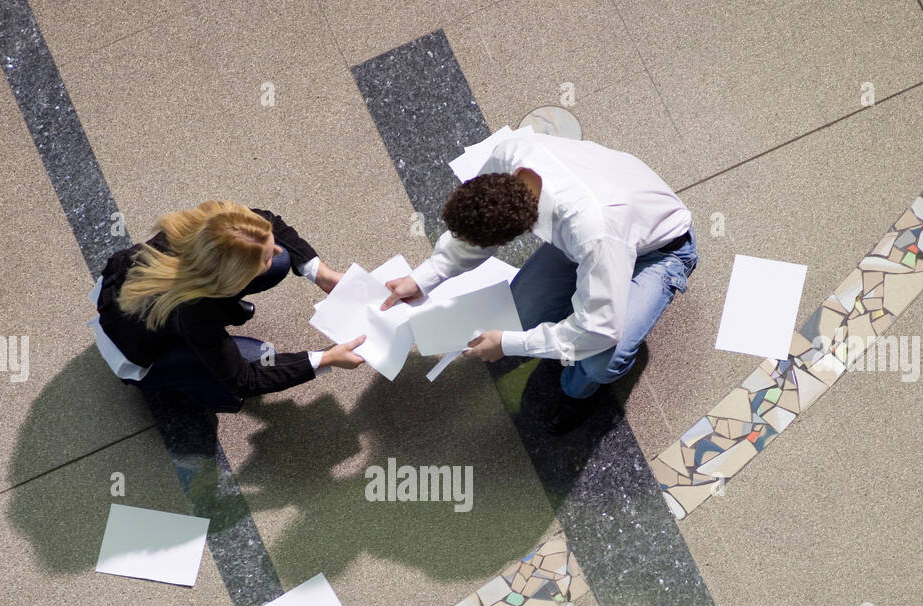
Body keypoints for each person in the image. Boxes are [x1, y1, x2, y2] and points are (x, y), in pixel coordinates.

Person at [382, 132, 696, 433]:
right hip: (599, 236)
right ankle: (588, 294)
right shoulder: (510, 155)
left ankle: (578, 392)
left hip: (658, 252)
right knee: (518, 314)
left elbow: (599, 329)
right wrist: (424, 278)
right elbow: (474, 233)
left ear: (520, 231)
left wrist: (507, 344)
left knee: (601, 358)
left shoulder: (591, 232)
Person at [89, 201, 365, 412]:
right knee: (248, 366)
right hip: (141, 352)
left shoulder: (213, 227)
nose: (278, 250)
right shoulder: (194, 313)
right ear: (230, 281)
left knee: (281, 263)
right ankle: (182, 388)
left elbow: (267, 222)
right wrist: (325, 359)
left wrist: (320, 273)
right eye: (267, 256)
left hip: (149, 303)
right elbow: (246, 379)